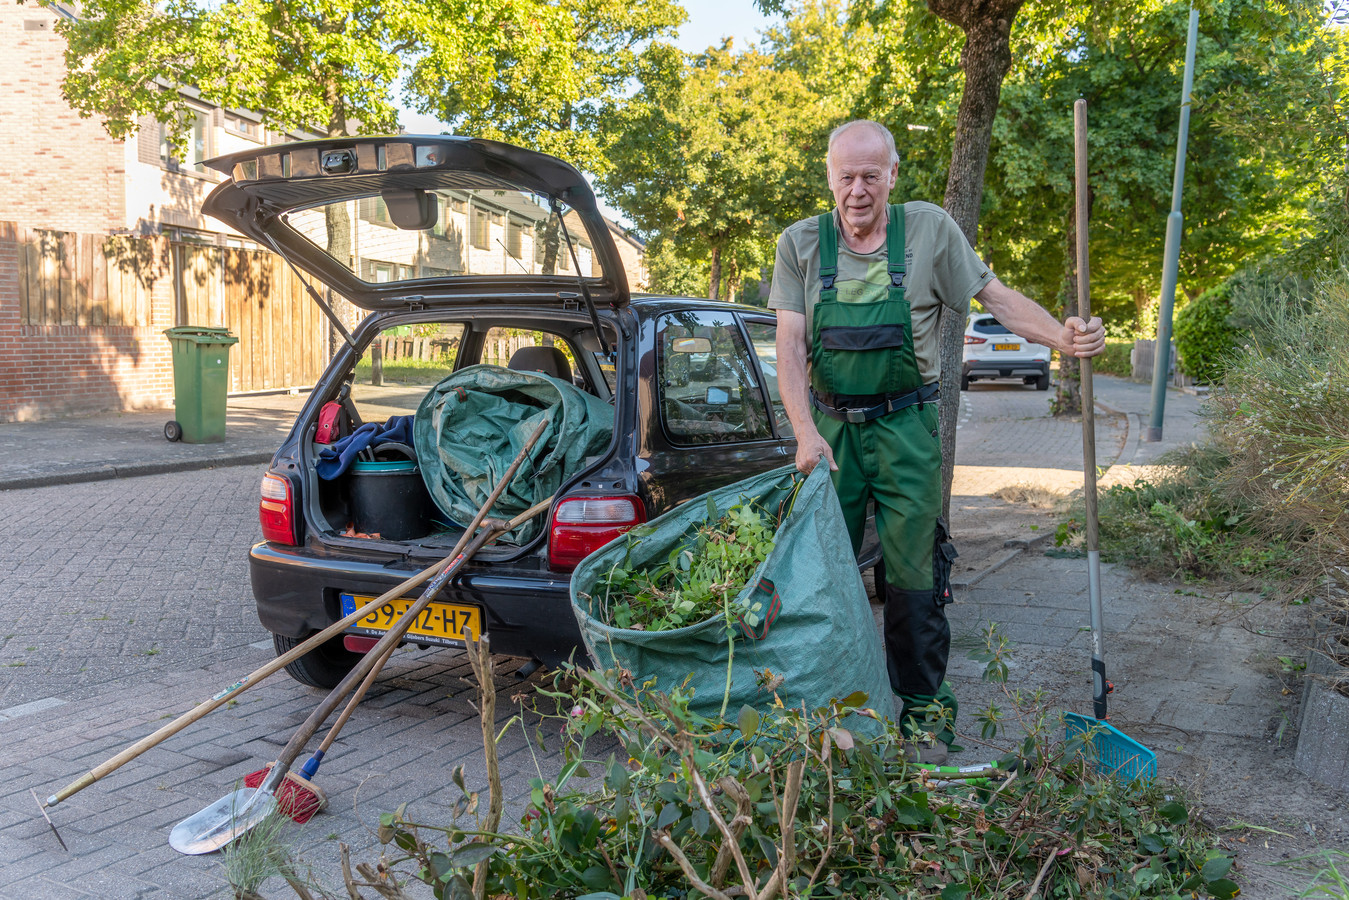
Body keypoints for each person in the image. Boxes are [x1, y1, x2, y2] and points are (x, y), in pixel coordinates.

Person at [770, 119, 1104, 763]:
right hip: (830, 432)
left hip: (906, 431)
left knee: (913, 577)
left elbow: (998, 300)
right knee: (817, 576)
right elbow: (790, 344)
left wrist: (1062, 337)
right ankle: (821, 708)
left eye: (872, 175)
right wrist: (804, 432)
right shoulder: (800, 245)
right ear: (830, 177)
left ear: (893, 175)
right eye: (847, 177)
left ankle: (922, 713)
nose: (859, 190)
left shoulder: (928, 231)